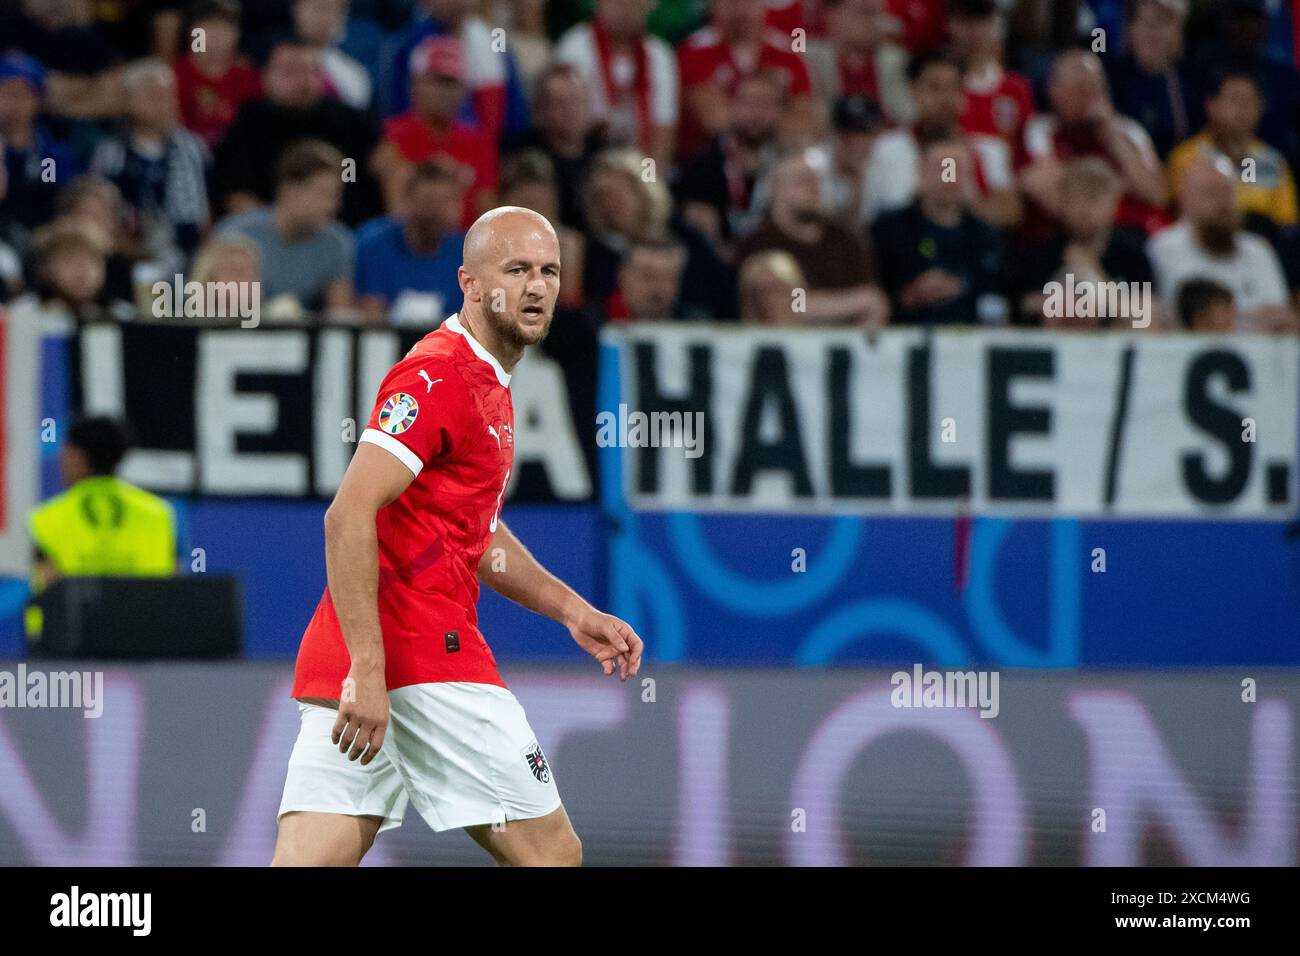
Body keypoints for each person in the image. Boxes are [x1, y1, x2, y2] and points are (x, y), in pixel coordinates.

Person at [273, 206, 644, 867]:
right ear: (470, 282)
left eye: (550, 271)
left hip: (366, 656)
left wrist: (572, 611)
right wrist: (370, 666)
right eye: (517, 269)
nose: (536, 286)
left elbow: (476, 535)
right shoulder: (439, 376)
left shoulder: (488, 384)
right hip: (419, 654)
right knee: (553, 855)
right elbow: (348, 514)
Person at [26, 416, 177, 640]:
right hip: (148, 641)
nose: (61, 459)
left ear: (79, 455)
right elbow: (176, 582)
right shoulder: (160, 513)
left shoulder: (43, 518)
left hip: (68, 647)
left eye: (66, 450)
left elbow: (46, 584)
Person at [736, 154, 890, 325]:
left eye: (817, 180)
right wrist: (858, 301)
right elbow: (787, 306)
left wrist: (863, 301)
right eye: (802, 180)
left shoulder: (844, 239)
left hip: (847, 345)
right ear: (775, 188)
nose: (814, 187)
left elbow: (876, 301)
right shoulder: (761, 242)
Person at [1148, 153, 1295, 332]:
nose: (1223, 203)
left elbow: (1279, 318)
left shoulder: (1258, 250)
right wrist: (1249, 319)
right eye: (1212, 193)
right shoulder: (1164, 249)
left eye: (1228, 193)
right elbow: (1173, 320)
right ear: (1186, 200)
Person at [871, 132, 1006, 325]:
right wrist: (909, 295)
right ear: (921, 173)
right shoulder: (888, 230)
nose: (949, 178)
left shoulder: (987, 237)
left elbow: (1002, 296)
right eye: (942, 168)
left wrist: (963, 286)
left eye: (956, 169)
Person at [215, 139, 355, 316]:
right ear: (289, 191)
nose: (333, 206)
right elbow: (213, 305)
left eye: (336, 196)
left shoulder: (337, 242)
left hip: (303, 336)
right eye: (324, 194)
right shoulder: (235, 233)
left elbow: (339, 315)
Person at [373, 36, 498, 228]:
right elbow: (397, 214)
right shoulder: (392, 136)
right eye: (437, 81)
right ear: (415, 84)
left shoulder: (479, 142)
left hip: (464, 247)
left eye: (451, 83)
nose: (445, 91)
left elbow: (487, 218)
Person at [1166, 67, 1297, 232]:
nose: (1243, 109)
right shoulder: (1186, 157)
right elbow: (1181, 215)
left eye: (1250, 101)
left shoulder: (1272, 161)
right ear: (1211, 106)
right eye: (1234, 99)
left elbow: (1287, 223)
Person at [553, 0, 678, 169]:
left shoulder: (660, 55)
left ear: (649, 5)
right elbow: (565, 122)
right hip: (586, 161)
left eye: (632, 3)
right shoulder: (574, 47)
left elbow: (663, 130)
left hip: (639, 166)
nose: (623, 9)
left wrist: (649, 180)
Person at [355, 159, 466, 324]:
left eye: (445, 203)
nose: (436, 213)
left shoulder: (467, 254)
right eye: (429, 202)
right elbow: (371, 314)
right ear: (408, 201)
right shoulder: (374, 243)